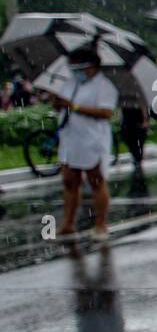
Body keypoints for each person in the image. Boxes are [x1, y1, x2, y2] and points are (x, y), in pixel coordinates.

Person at [54, 45, 118, 240]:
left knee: (96, 181)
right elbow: (62, 105)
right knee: (69, 181)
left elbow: (106, 113)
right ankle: (68, 223)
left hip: (93, 140)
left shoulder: (105, 86)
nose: (75, 72)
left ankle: (101, 225)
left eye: (77, 68)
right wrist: (58, 103)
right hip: (70, 139)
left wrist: (75, 106)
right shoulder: (71, 84)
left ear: (90, 67)